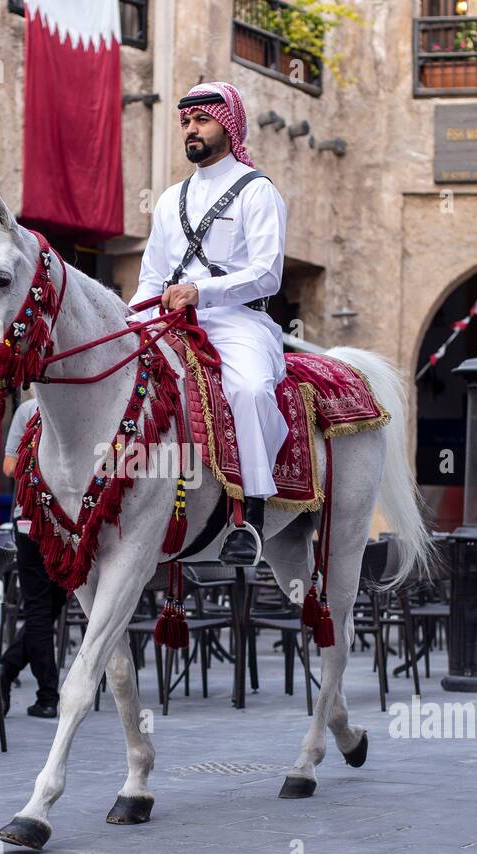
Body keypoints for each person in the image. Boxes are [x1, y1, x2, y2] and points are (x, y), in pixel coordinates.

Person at [130, 80, 289, 566]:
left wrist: (205, 291)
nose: (192, 130)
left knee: (250, 390)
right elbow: (151, 276)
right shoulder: (168, 200)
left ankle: (250, 516)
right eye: (187, 123)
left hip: (238, 321)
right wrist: (130, 319)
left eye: (202, 120)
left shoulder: (257, 190)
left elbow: (268, 273)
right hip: (169, 321)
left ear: (230, 124)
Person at [0, 394, 65, 717]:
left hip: (69, 525)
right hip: (32, 522)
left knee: (52, 606)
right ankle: (48, 695)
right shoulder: (29, 410)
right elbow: (9, 467)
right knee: (40, 607)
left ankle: (7, 669)